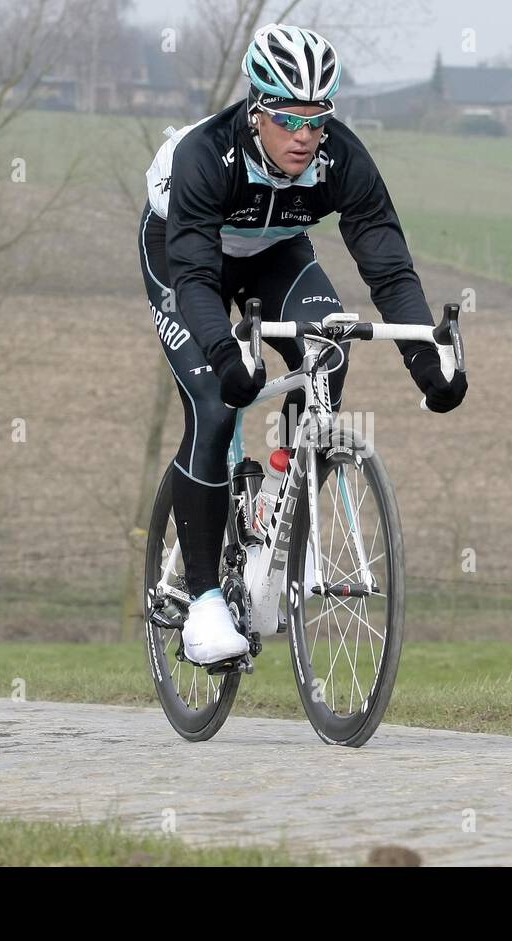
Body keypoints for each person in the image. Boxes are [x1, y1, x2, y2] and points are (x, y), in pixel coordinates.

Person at [138, 23, 467, 665]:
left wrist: (427, 363)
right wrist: (227, 354)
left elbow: (389, 267)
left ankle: (278, 516)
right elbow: (198, 279)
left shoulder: (339, 156)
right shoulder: (205, 155)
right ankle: (204, 602)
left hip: (274, 253)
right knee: (214, 399)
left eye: (317, 120)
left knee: (328, 352)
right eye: (289, 119)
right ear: (257, 110)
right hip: (184, 255)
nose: (304, 136)